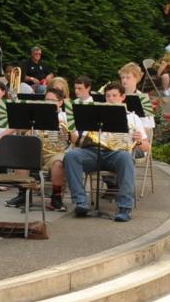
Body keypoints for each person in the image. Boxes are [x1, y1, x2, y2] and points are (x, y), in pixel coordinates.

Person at [63, 81, 148, 222]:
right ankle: (81, 202)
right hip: (93, 152)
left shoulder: (132, 117)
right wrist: (72, 133)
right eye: (108, 96)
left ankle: (125, 207)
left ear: (123, 97)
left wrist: (139, 141)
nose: (111, 99)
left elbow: (147, 148)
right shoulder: (94, 114)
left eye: (115, 95)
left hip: (116, 154)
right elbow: (80, 142)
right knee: (72, 155)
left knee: (126, 157)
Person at [117, 62, 154, 131]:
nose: (124, 80)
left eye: (128, 77)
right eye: (122, 77)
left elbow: (149, 124)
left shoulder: (143, 98)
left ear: (136, 78)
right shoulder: (115, 95)